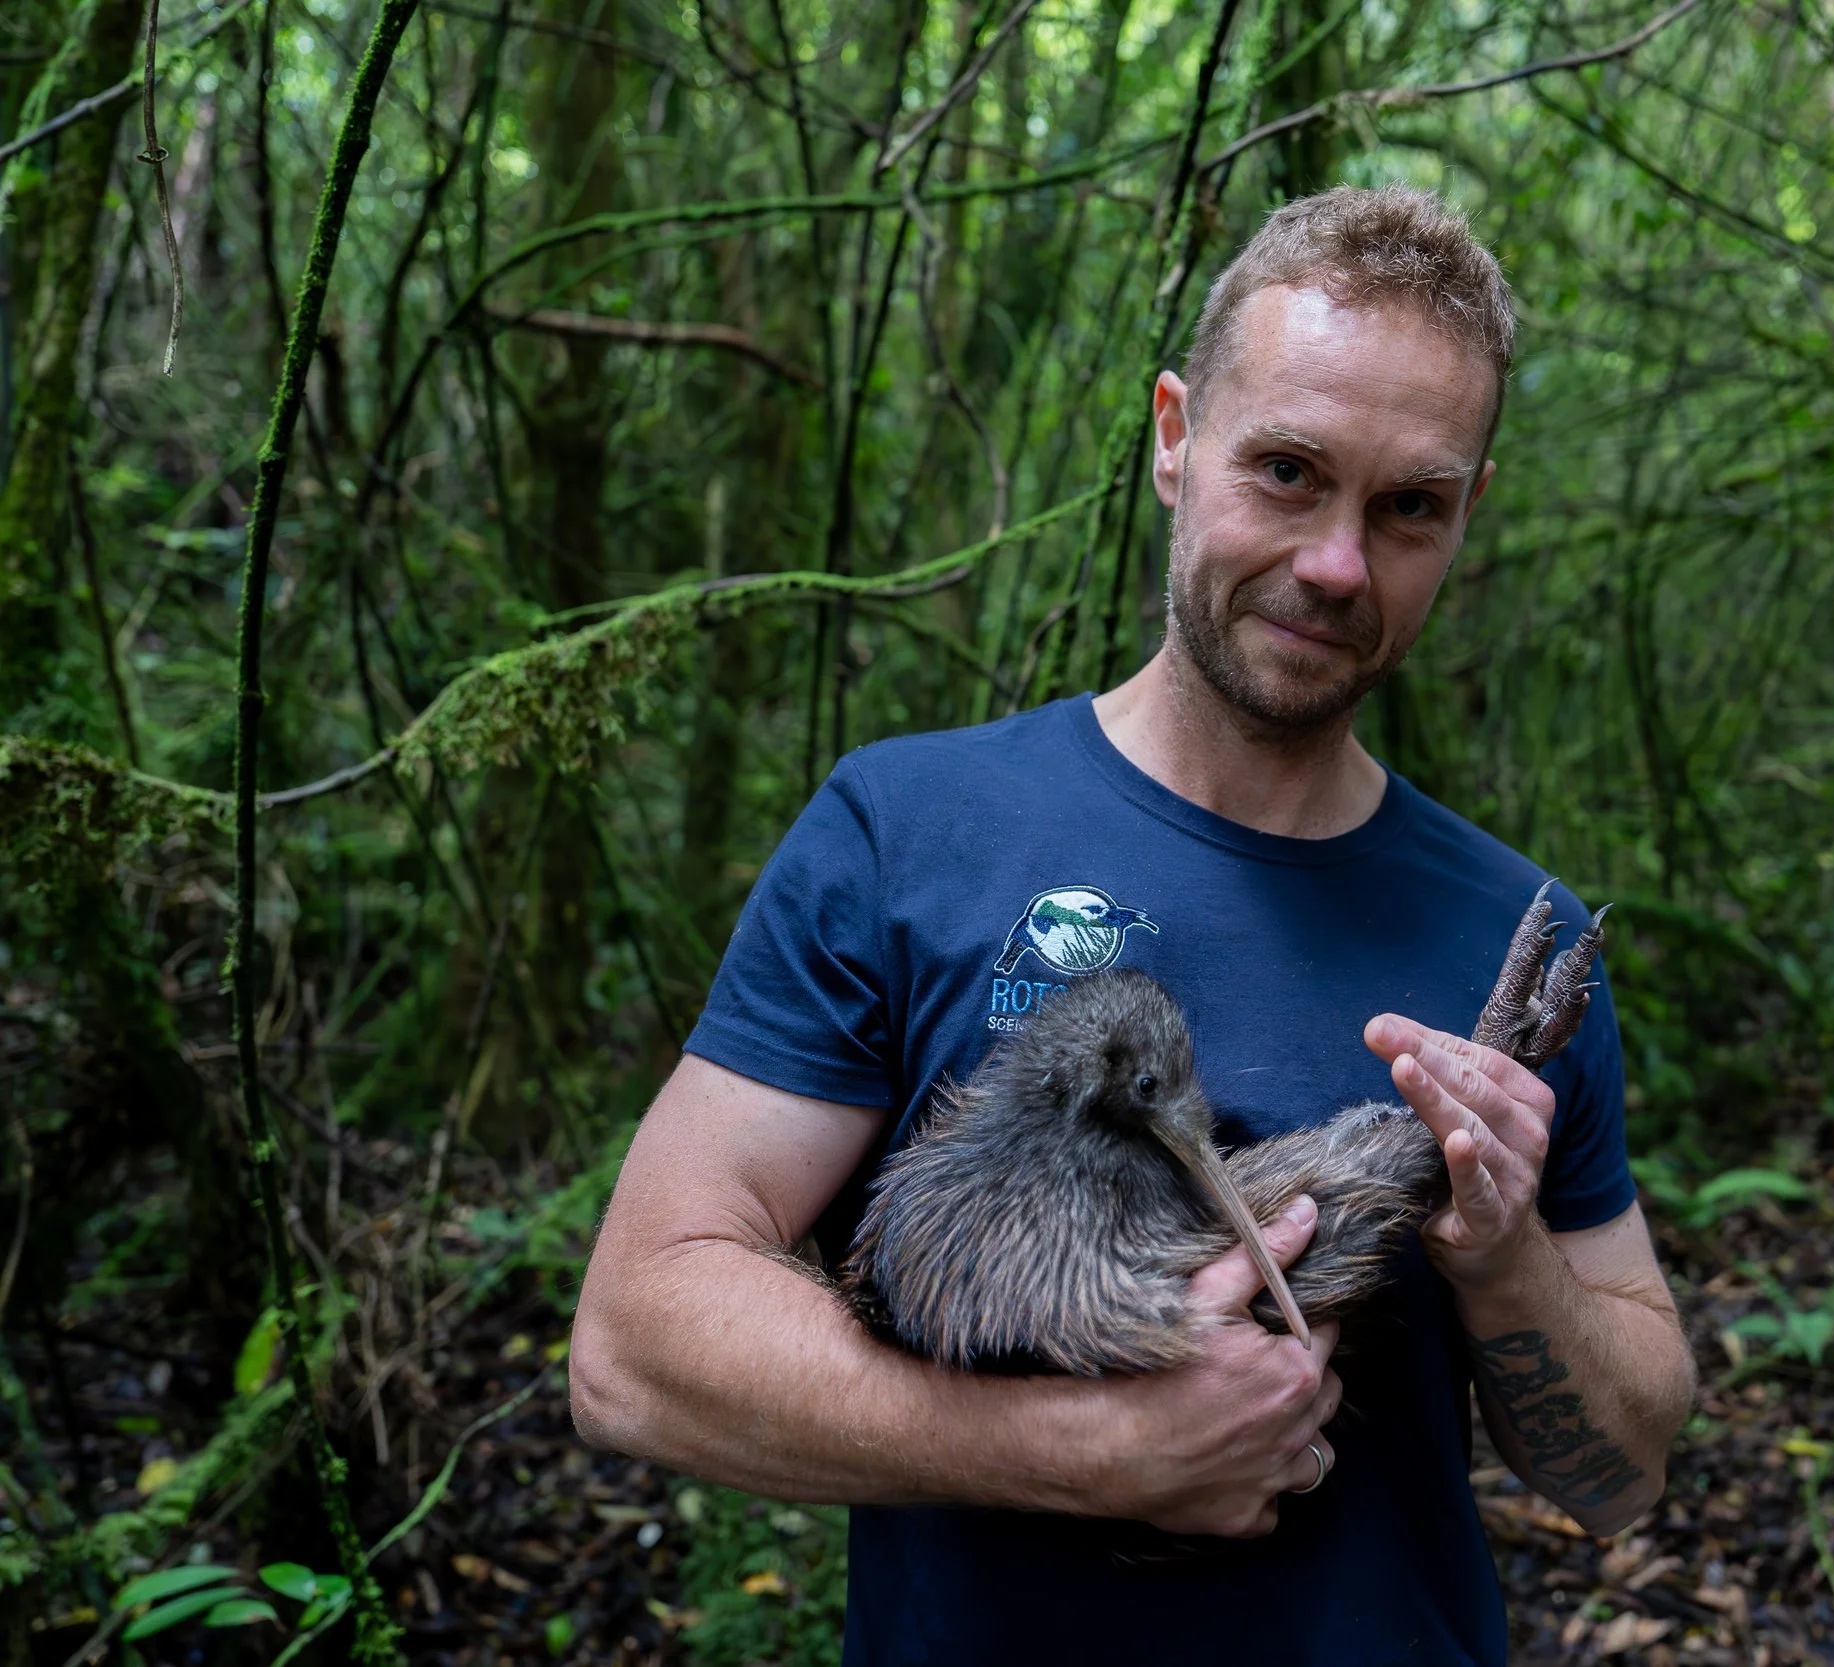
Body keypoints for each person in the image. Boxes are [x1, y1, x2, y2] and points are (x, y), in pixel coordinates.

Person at [570, 185, 1696, 1665]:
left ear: (1466, 516)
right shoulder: (906, 830)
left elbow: (1619, 1476)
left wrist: (1501, 1255)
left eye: (1408, 505)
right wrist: (1080, 1445)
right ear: (1175, 436)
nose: (1339, 562)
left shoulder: (1521, 938)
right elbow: (636, 1350)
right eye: (1287, 471)